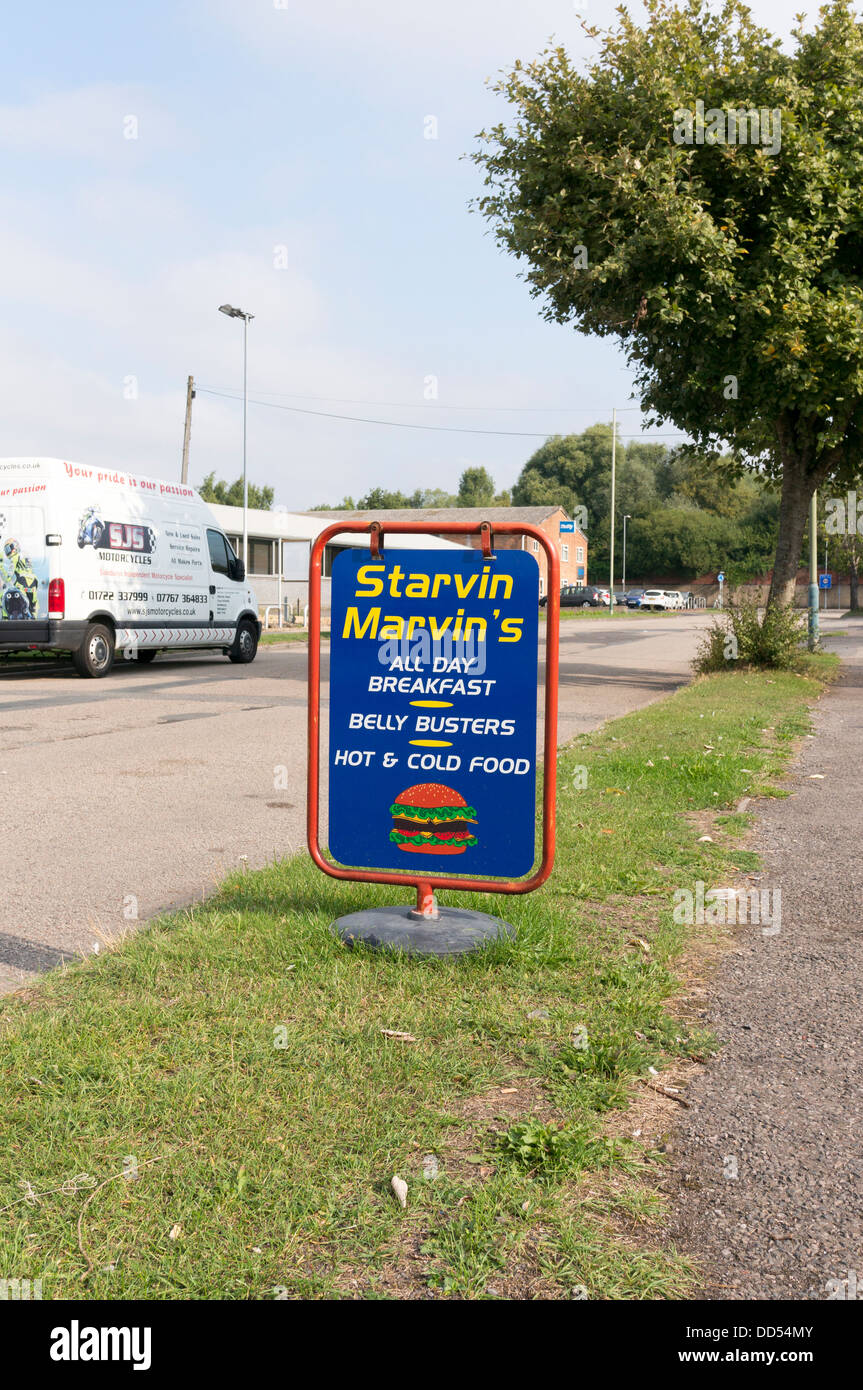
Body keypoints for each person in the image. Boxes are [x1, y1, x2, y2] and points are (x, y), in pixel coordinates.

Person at [1, 539, 39, 617]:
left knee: (9, 597)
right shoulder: (26, 556)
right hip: (34, 582)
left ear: (14, 547)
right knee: (34, 603)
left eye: (8, 549)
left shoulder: (15, 557)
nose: (7, 552)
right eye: (6, 550)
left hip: (22, 582)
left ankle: (6, 618)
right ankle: (34, 618)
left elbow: (8, 577)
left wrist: (1, 568)